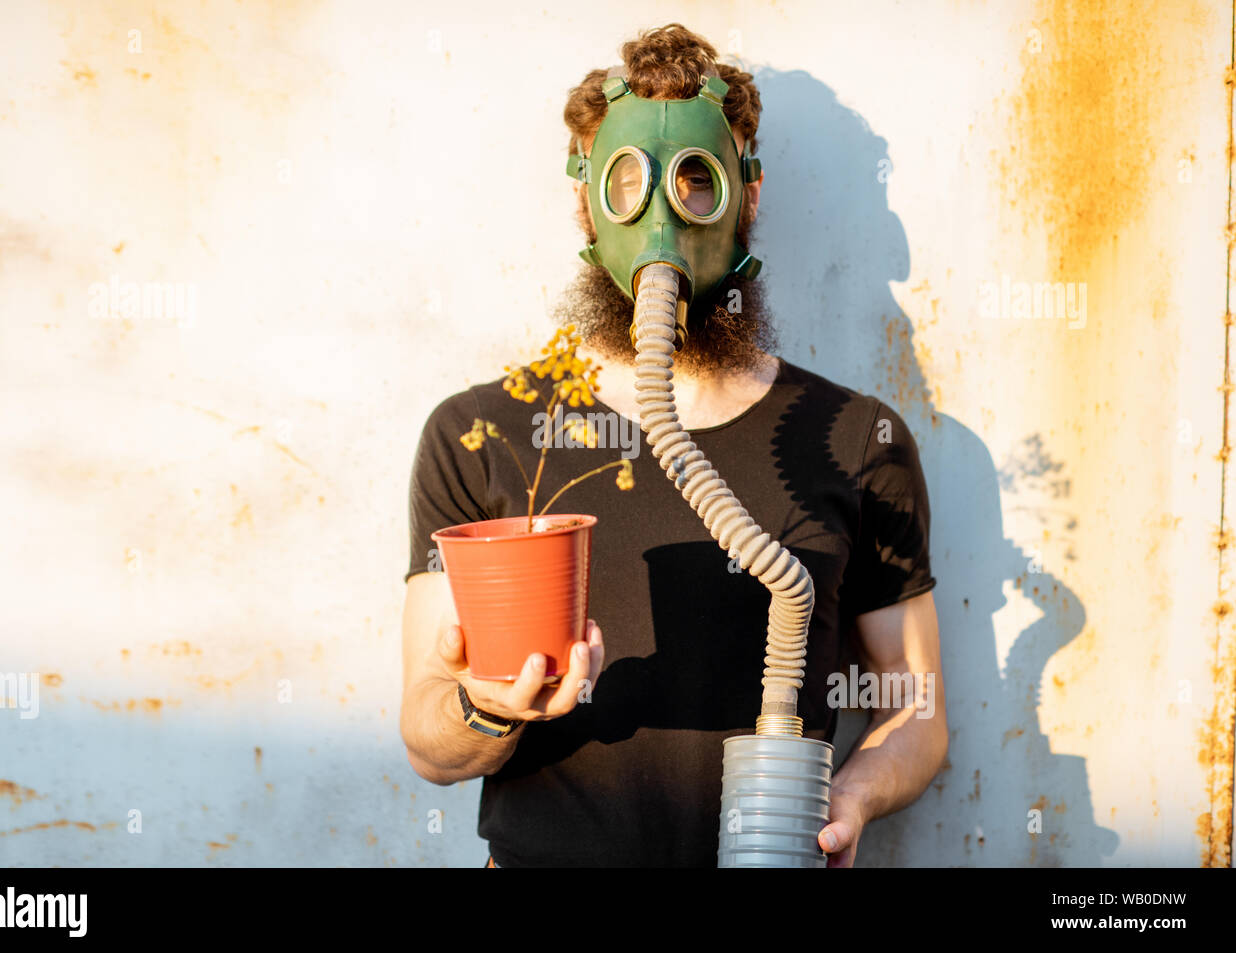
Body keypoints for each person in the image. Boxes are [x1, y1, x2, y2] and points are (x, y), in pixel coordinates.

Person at [400, 23, 947, 867]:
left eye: (698, 180)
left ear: (747, 197)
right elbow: (427, 740)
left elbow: (916, 708)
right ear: (585, 201)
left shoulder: (857, 437)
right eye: (629, 183)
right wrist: (486, 706)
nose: (664, 214)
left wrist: (849, 798)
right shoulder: (486, 435)